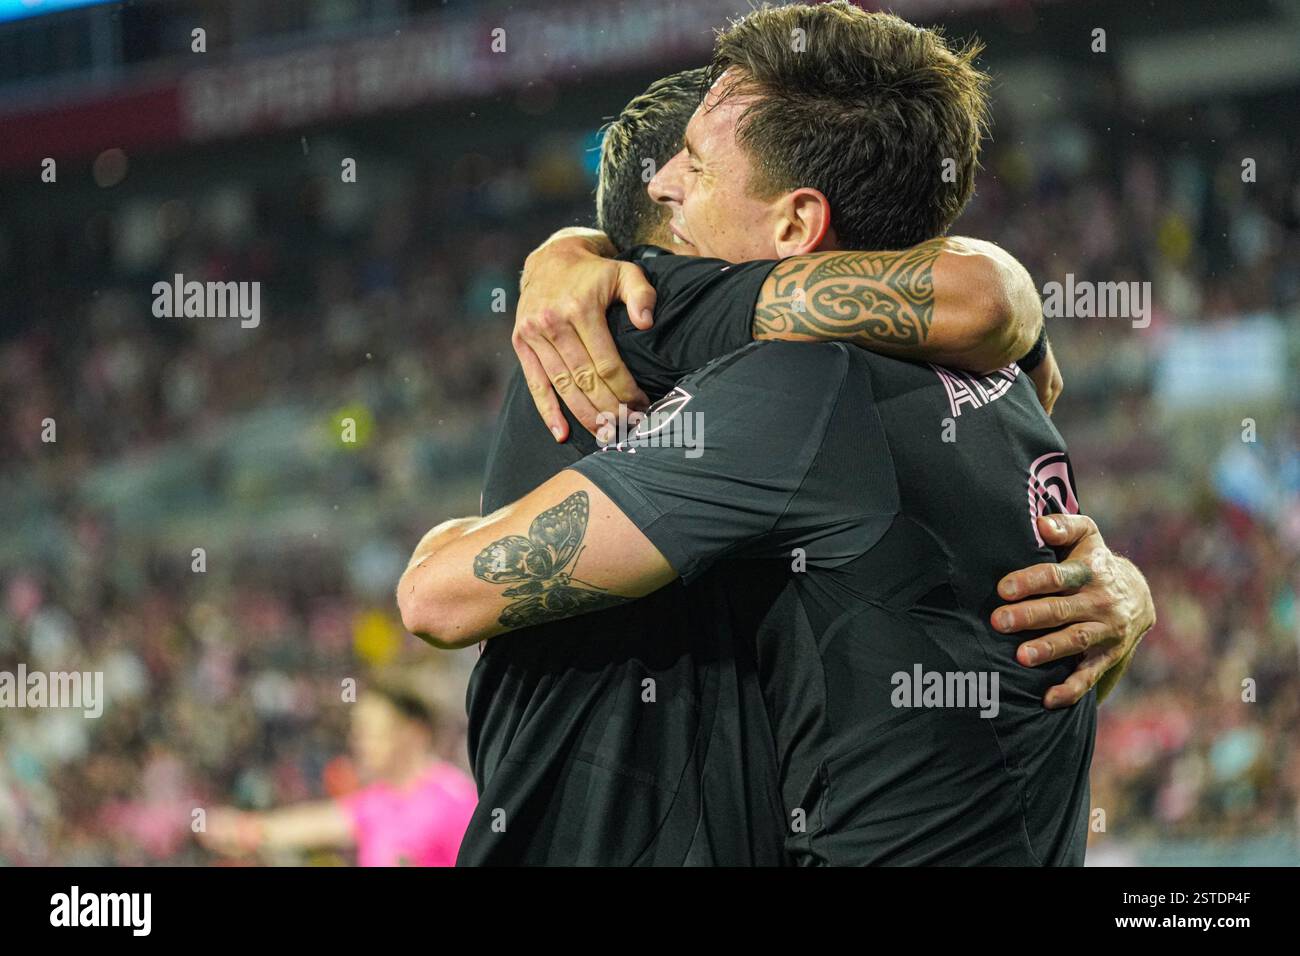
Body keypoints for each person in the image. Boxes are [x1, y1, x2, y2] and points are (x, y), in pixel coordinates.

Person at [419, 4, 1153, 865]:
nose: (665, 185)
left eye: (695, 165)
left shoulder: (799, 379)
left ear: (797, 227)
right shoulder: (1012, 391)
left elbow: (436, 597)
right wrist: (1132, 596)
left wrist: (573, 258)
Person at [198, 684, 476, 867]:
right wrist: (244, 829)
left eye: (370, 731)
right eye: (357, 732)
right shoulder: (378, 802)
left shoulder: (455, 803)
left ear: (413, 732)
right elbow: (317, 824)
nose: (358, 742)